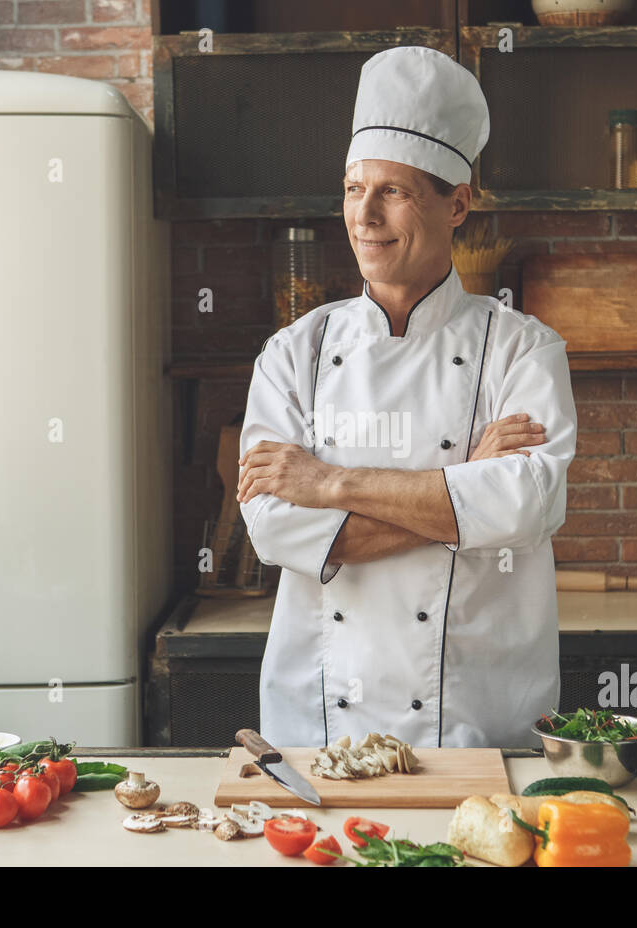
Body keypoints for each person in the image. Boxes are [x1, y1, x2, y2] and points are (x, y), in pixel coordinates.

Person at [236, 46, 577, 748]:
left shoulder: (522, 349)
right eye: (354, 189)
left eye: (393, 191)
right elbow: (272, 529)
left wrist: (328, 483)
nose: (365, 215)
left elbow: (529, 506)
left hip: (475, 721)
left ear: (458, 203)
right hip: (323, 725)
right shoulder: (293, 353)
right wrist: (464, 491)